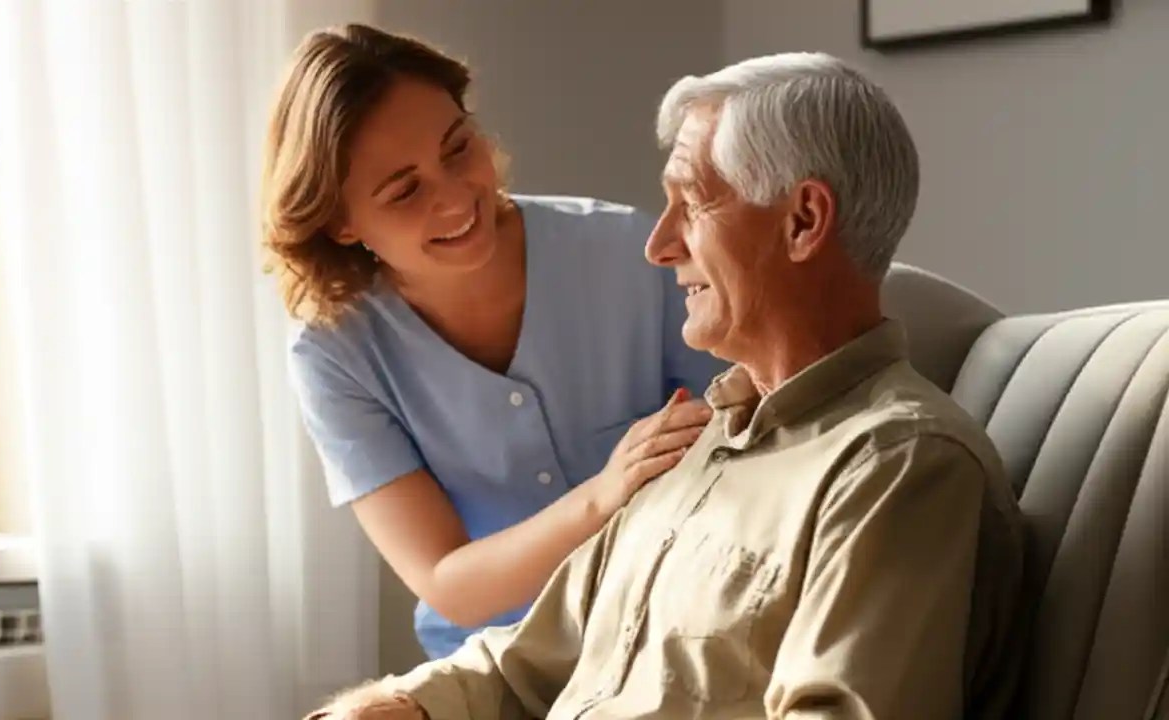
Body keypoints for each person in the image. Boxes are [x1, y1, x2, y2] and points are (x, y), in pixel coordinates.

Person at [308, 52, 1026, 720]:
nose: (658, 246)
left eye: (694, 204)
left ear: (803, 221)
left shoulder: (894, 466)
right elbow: (525, 660)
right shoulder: (690, 446)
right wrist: (399, 707)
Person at [261, 24, 727, 661]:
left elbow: (748, 431)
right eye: (404, 191)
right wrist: (603, 493)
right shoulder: (333, 354)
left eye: (458, 148)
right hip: (493, 665)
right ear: (340, 222)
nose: (454, 197)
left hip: (668, 629)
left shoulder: (630, 252)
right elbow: (447, 583)